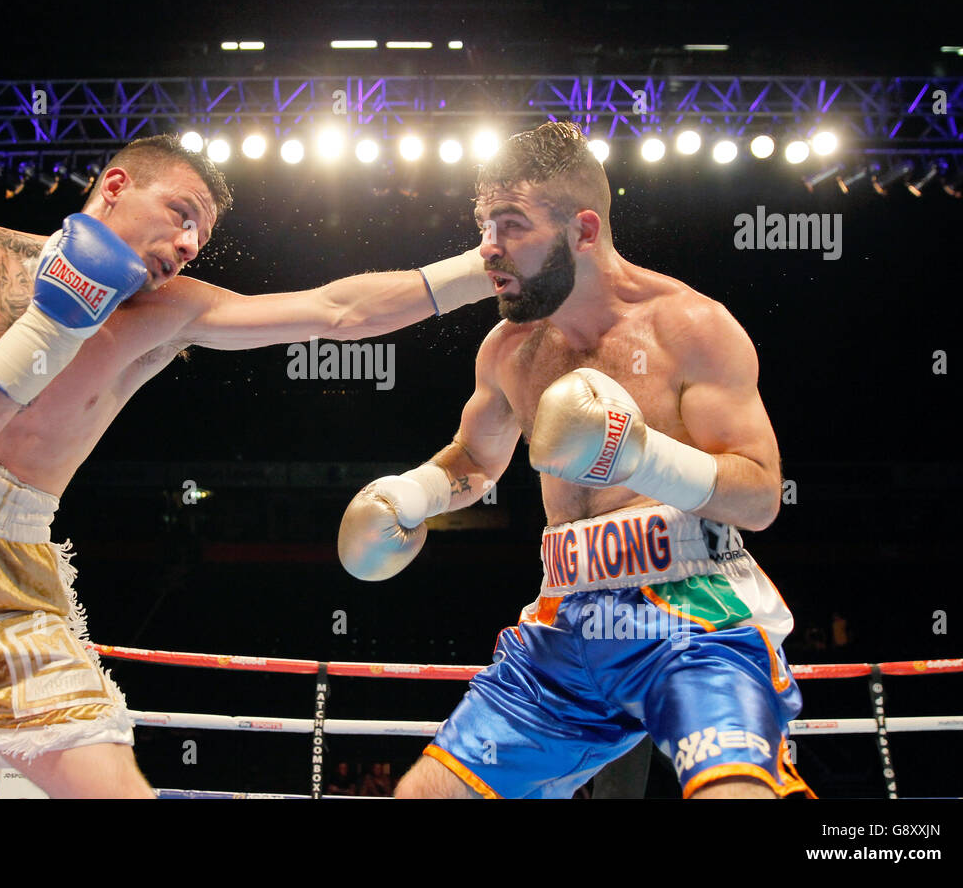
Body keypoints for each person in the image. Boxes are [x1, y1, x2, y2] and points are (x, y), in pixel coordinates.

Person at [0, 133, 494, 799]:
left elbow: (334, 310)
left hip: (3, 570)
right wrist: (52, 325)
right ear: (114, 186)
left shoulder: (172, 313)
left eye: (201, 237)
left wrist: (478, 268)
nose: (187, 245)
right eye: (180, 215)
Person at [338, 121, 813, 799]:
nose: (487, 248)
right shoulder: (509, 349)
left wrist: (639, 456)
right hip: (563, 631)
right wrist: (411, 496)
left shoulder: (691, 327)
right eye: (483, 223)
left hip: (695, 620)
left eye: (510, 225)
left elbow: (761, 495)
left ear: (584, 232)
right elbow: (476, 457)